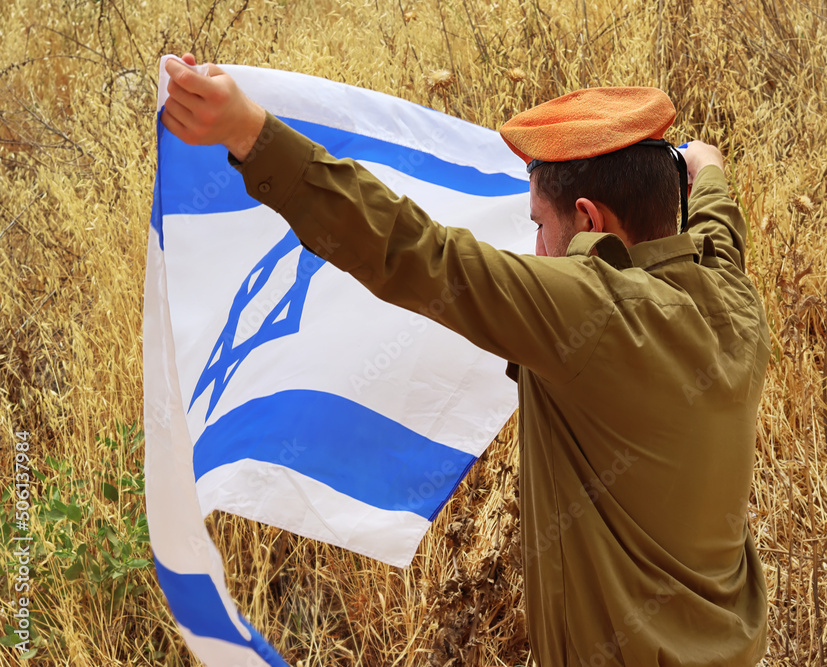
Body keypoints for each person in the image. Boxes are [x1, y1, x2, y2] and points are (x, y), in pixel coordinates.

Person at [163, 52, 768, 666]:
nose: (534, 248)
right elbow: (717, 219)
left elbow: (416, 250)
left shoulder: (594, 314)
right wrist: (707, 167)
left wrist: (250, 134)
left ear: (588, 219)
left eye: (538, 225)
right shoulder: (733, 298)